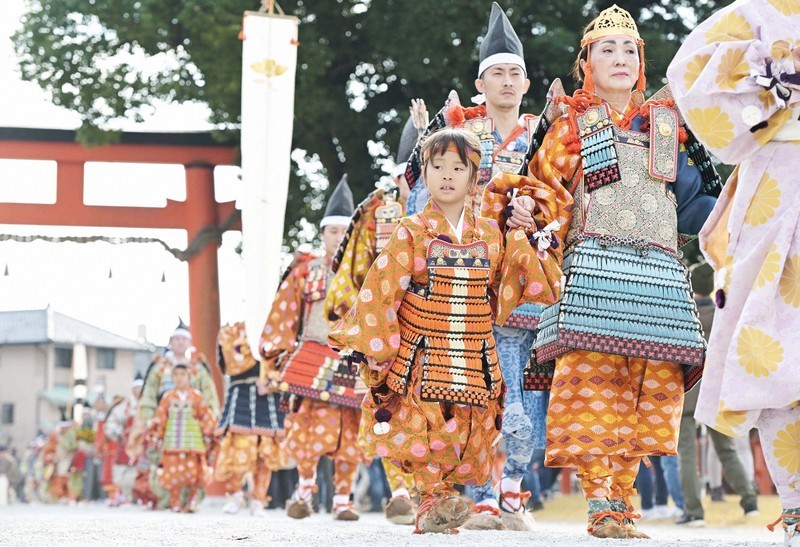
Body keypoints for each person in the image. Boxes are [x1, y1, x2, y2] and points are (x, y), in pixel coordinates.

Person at [517, 4, 718, 538]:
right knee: (593, 389)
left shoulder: (670, 125)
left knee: (648, 390)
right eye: (607, 49)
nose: (621, 57)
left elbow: (700, 207)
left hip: (660, 280)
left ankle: (622, 502)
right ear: (587, 60)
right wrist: (530, 216)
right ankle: (600, 499)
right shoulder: (568, 124)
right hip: (592, 275)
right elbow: (543, 194)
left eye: (630, 49)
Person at [329, 128, 512, 534]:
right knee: (425, 422)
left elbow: (506, 286)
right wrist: (377, 343)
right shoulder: (411, 230)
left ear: (474, 176)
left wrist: (527, 231)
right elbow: (383, 286)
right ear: (424, 174)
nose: (448, 175)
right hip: (421, 351)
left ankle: (442, 499)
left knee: (464, 424)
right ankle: (432, 498)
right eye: (438, 166)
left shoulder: (491, 234)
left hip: (472, 351)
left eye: (458, 167)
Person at [668, 2, 800, 543]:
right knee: (765, 344)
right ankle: (795, 504)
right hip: (775, 176)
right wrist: (768, 71)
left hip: (773, 176)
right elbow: (687, 72)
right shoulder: (753, 12)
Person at [324, 116, 420, 526]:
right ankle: (400, 490)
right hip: (385, 325)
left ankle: (432, 490)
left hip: (440, 321)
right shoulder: (377, 208)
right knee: (386, 403)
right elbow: (350, 273)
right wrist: (353, 320)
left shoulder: (452, 204)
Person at [260, 176, 365, 521]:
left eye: (344, 230)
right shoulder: (306, 271)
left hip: (350, 358)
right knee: (306, 426)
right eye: (332, 231)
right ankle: (303, 491)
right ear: (322, 234)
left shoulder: (366, 272)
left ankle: (344, 499)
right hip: (311, 354)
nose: (338, 237)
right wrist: (278, 352)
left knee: (350, 428)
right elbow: (285, 311)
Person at [405, 2, 536, 220]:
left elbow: (557, 196)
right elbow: (421, 198)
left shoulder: (542, 137)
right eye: (497, 73)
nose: (507, 82)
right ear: (480, 85)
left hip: (524, 249)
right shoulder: (459, 135)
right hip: (465, 249)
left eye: (515, 74)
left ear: (525, 85)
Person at [127, 320, 219, 509]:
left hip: (193, 425)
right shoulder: (160, 367)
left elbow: (209, 397)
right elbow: (149, 395)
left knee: (195, 464)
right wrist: (150, 420)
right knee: (167, 463)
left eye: (183, 340)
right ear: (170, 342)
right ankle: (169, 499)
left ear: (189, 343)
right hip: (166, 424)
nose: (179, 343)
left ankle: (192, 499)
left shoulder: (198, 367)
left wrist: (210, 422)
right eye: (176, 339)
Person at [214, 322, 285, 517]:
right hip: (242, 392)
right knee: (239, 448)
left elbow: (285, 360)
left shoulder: (276, 327)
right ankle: (235, 495)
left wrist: (273, 378)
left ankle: (258, 500)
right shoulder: (231, 331)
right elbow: (233, 364)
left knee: (266, 454)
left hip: (267, 395)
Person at [148, 363, 216, 513]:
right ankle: (175, 503)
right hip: (173, 442)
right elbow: (160, 419)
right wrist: (157, 436)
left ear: (189, 376)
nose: (179, 378)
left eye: (182, 375)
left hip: (193, 442)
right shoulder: (167, 397)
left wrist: (208, 435)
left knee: (194, 474)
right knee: (173, 474)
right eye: (176, 375)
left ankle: (191, 501)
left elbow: (205, 417)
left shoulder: (197, 396)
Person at [102, 378, 143, 506]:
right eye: (137, 388)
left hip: (143, 444)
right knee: (121, 470)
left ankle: (140, 496)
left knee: (140, 471)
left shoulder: (149, 405)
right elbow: (111, 423)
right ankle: (120, 495)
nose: (139, 391)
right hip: (126, 443)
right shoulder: (125, 406)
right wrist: (119, 433)